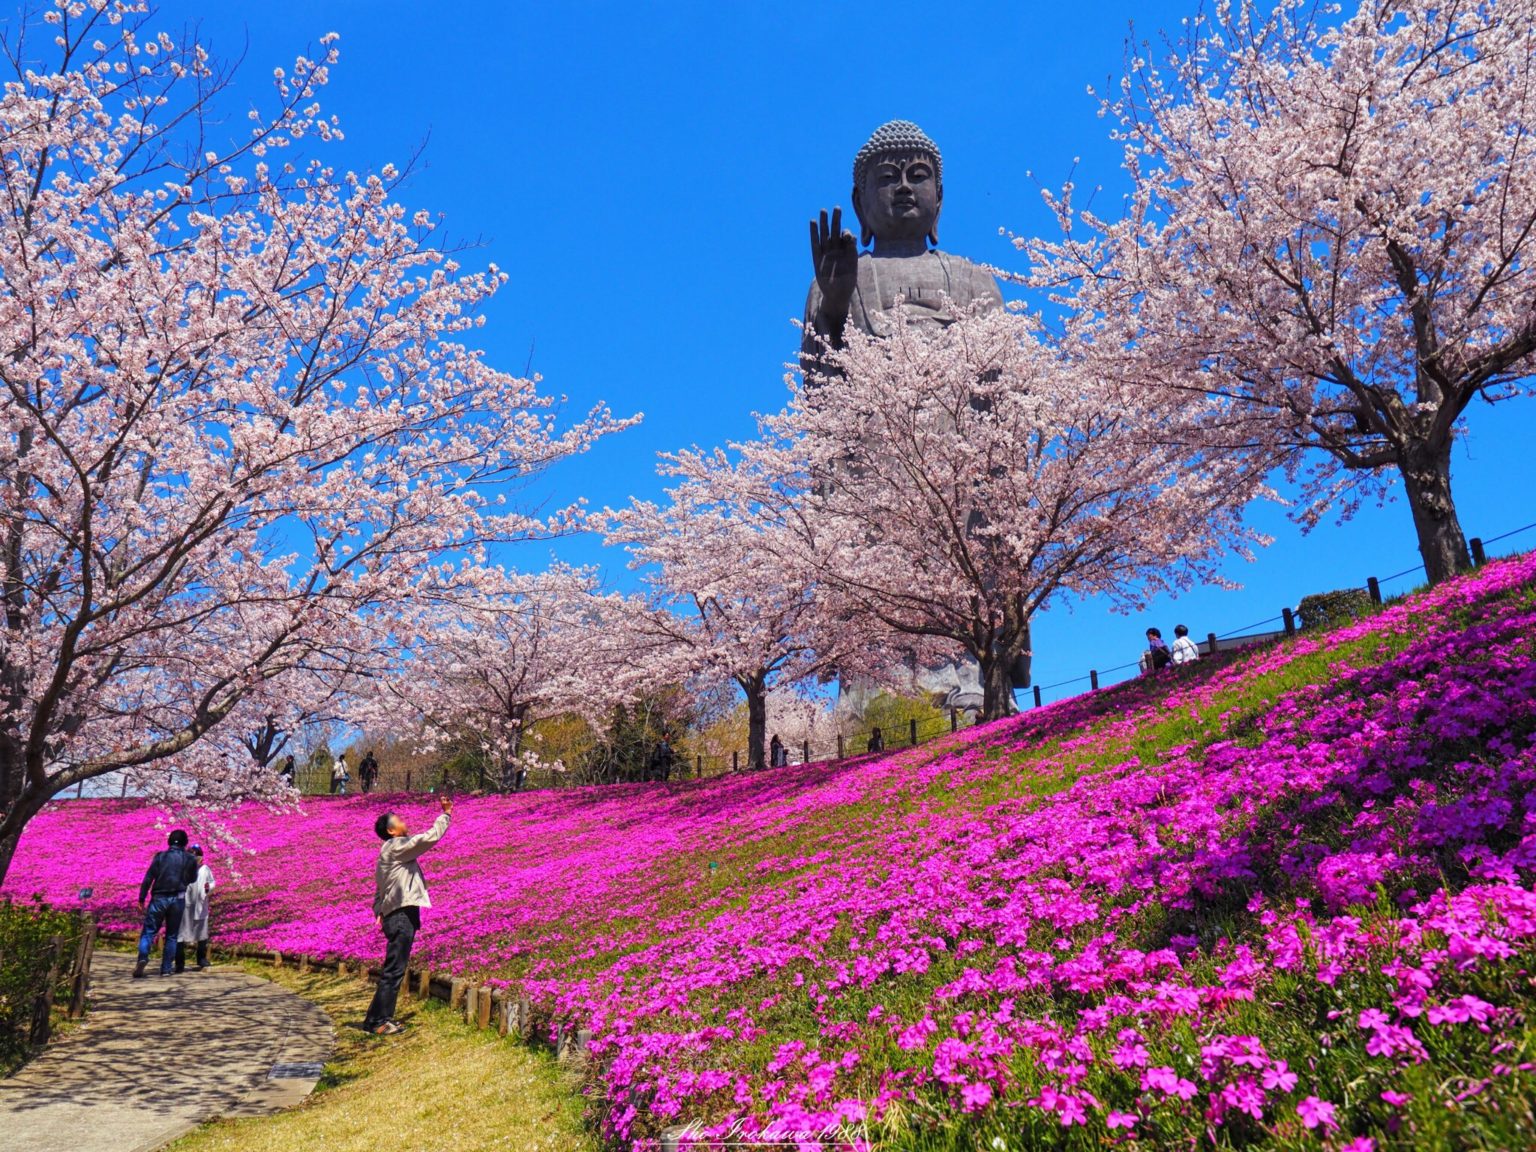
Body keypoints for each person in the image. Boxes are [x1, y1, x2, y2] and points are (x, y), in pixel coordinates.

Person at [363, 795, 452, 1036]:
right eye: (398, 820)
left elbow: (380, 890)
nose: (404, 822)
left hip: (397, 914)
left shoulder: (387, 853)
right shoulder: (396, 846)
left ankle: (375, 1018)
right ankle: (379, 1021)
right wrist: (446, 815)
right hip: (401, 916)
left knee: (394, 969)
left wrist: (379, 911)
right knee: (394, 970)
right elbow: (428, 838)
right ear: (392, 831)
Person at [134, 830, 199, 978]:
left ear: (169, 841)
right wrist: (183, 881)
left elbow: (148, 878)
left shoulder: (160, 857)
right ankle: (166, 969)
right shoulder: (190, 859)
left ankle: (143, 957)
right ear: (185, 843)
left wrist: (141, 899)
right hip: (178, 898)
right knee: (172, 935)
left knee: (149, 931)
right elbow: (193, 878)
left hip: (159, 898)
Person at [175, 846, 216, 972]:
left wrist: (208, 889)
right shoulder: (181, 869)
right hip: (185, 905)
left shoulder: (205, 869)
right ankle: (179, 962)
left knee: (202, 933)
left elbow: (212, 882)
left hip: (200, 904)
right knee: (181, 934)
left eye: (197, 857)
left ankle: (201, 958)